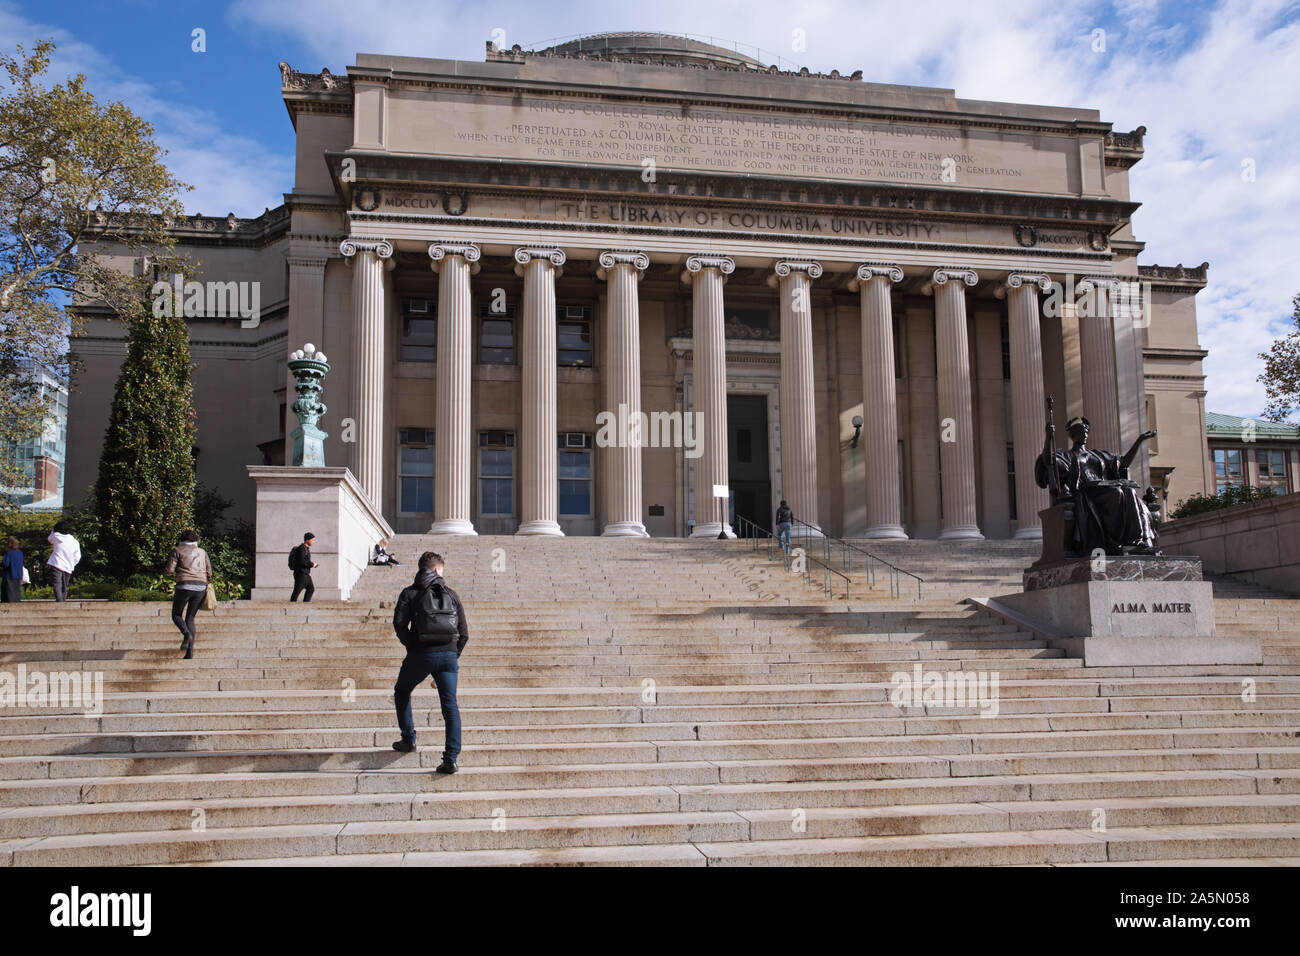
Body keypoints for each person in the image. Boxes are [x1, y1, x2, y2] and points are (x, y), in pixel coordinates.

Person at [1035, 416, 1158, 556]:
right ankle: (1112, 540)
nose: (1085, 436)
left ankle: (1135, 541)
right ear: (1073, 436)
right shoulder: (1066, 455)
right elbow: (1048, 461)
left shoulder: (1098, 455)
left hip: (1104, 489)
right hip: (1085, 492)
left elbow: (1123, 463)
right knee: (1117, 493)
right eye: (1082, 433)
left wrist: (1140, 440)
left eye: (1086, 432)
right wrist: (1049, 438)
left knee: (1128, 491)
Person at [391, 551, 467, 774]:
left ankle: (408, 738)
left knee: (402, 690)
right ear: (436, 570)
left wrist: (413, 647)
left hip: (421, 653)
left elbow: (399, 625)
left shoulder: (410, 593)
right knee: (450, 706)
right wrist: (453, 654)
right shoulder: (451, 594)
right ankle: (450, 759)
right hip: (448, 656)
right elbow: (464, 632)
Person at [163, 529, 213, 659]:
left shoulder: (177, 550)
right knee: (190, 617)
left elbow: (169, 570)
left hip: (184, 585)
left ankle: (186, 634)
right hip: (201, 586)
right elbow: (209, 572)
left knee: (176, 614)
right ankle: (189, 652)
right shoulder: (202, 552)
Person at [46, 521, 82, 603]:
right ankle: (63, 600)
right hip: (68, 565)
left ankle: (59, 601)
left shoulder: (55, 536)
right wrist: (73, 563)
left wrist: (53, 530)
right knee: (65, 585)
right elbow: (77, 556)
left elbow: (49, 539)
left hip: (56, 563)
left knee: (57, 584)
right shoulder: (74, 541)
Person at [288, 532, 318, 602]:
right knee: (297, 591)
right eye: (312, 540)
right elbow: (301, 561)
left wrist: (309, 569)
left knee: (310, 589)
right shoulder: (302, 548)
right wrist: (312, 564)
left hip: (305, 574)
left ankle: (305, 605)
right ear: (307, 540)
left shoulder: (306, 548)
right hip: (301, 574)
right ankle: (292, 606)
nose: (313, 542)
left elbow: (304, 561)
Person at [1, 537, 24, 603]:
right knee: (16, 593)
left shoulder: (9, 553)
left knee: (8, 595)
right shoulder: (20, 553)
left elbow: (6, 564)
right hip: (18, 575)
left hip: (9, 575)